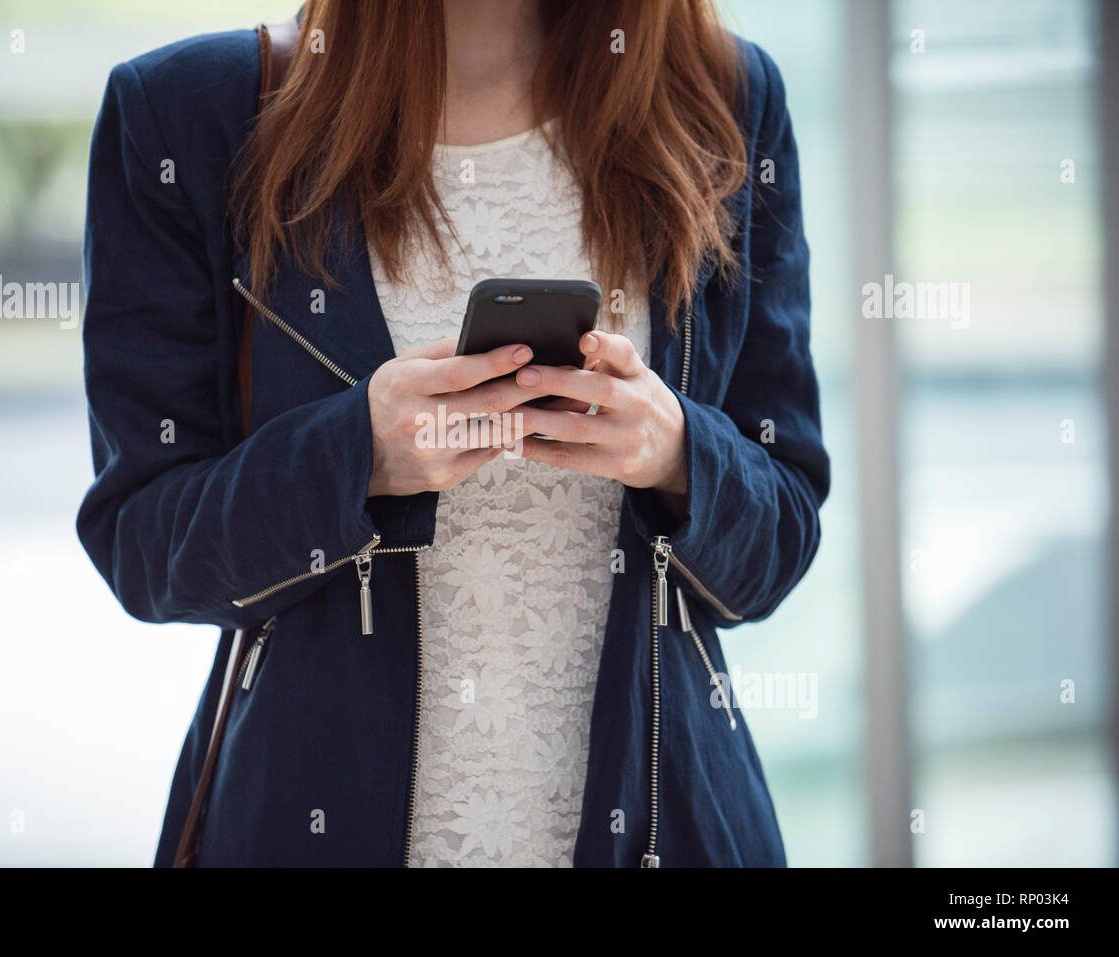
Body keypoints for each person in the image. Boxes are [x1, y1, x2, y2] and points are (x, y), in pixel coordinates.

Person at [77, 0, 830, 867]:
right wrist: (356, 455)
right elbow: (144, 539)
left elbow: (784, 528)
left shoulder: (724, 98)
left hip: (665, 831)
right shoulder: (188, 114)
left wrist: (677, 454)